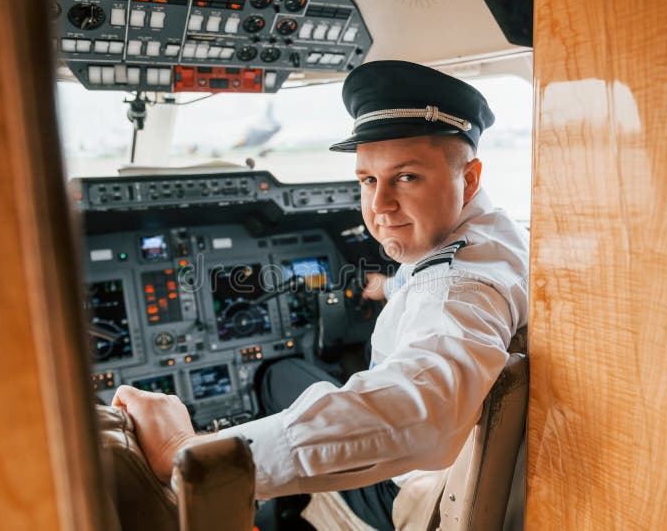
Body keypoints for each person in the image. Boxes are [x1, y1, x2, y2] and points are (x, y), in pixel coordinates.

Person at [112, 60, 529, 530]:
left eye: (407, 177)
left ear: (469, 178)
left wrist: (188, 453)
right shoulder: (496, 236)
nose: (379, 206)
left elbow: (421, 406)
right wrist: (391, 285)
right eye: (368, 180)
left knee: (276, 374)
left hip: (414, 495)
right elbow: (435, 284)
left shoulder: (461, 286)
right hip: (459, 474)